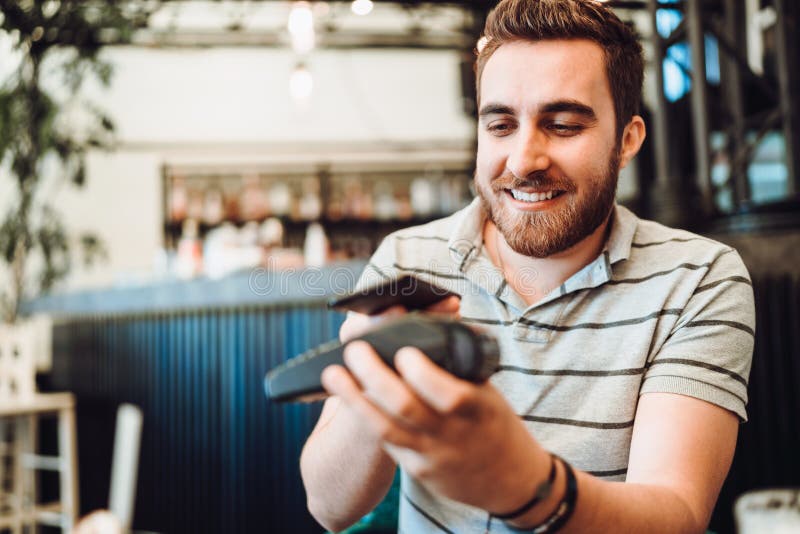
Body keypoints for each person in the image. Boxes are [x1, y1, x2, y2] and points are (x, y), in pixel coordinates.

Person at [300, 0, 755, 532]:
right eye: (500, 125)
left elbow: (676, 515)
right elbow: (330, 507)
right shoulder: (408, 258)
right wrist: (371, 380)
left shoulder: (699, 279)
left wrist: (525, 485)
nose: (522, 161)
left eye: (562, 125)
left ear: (627, 140)